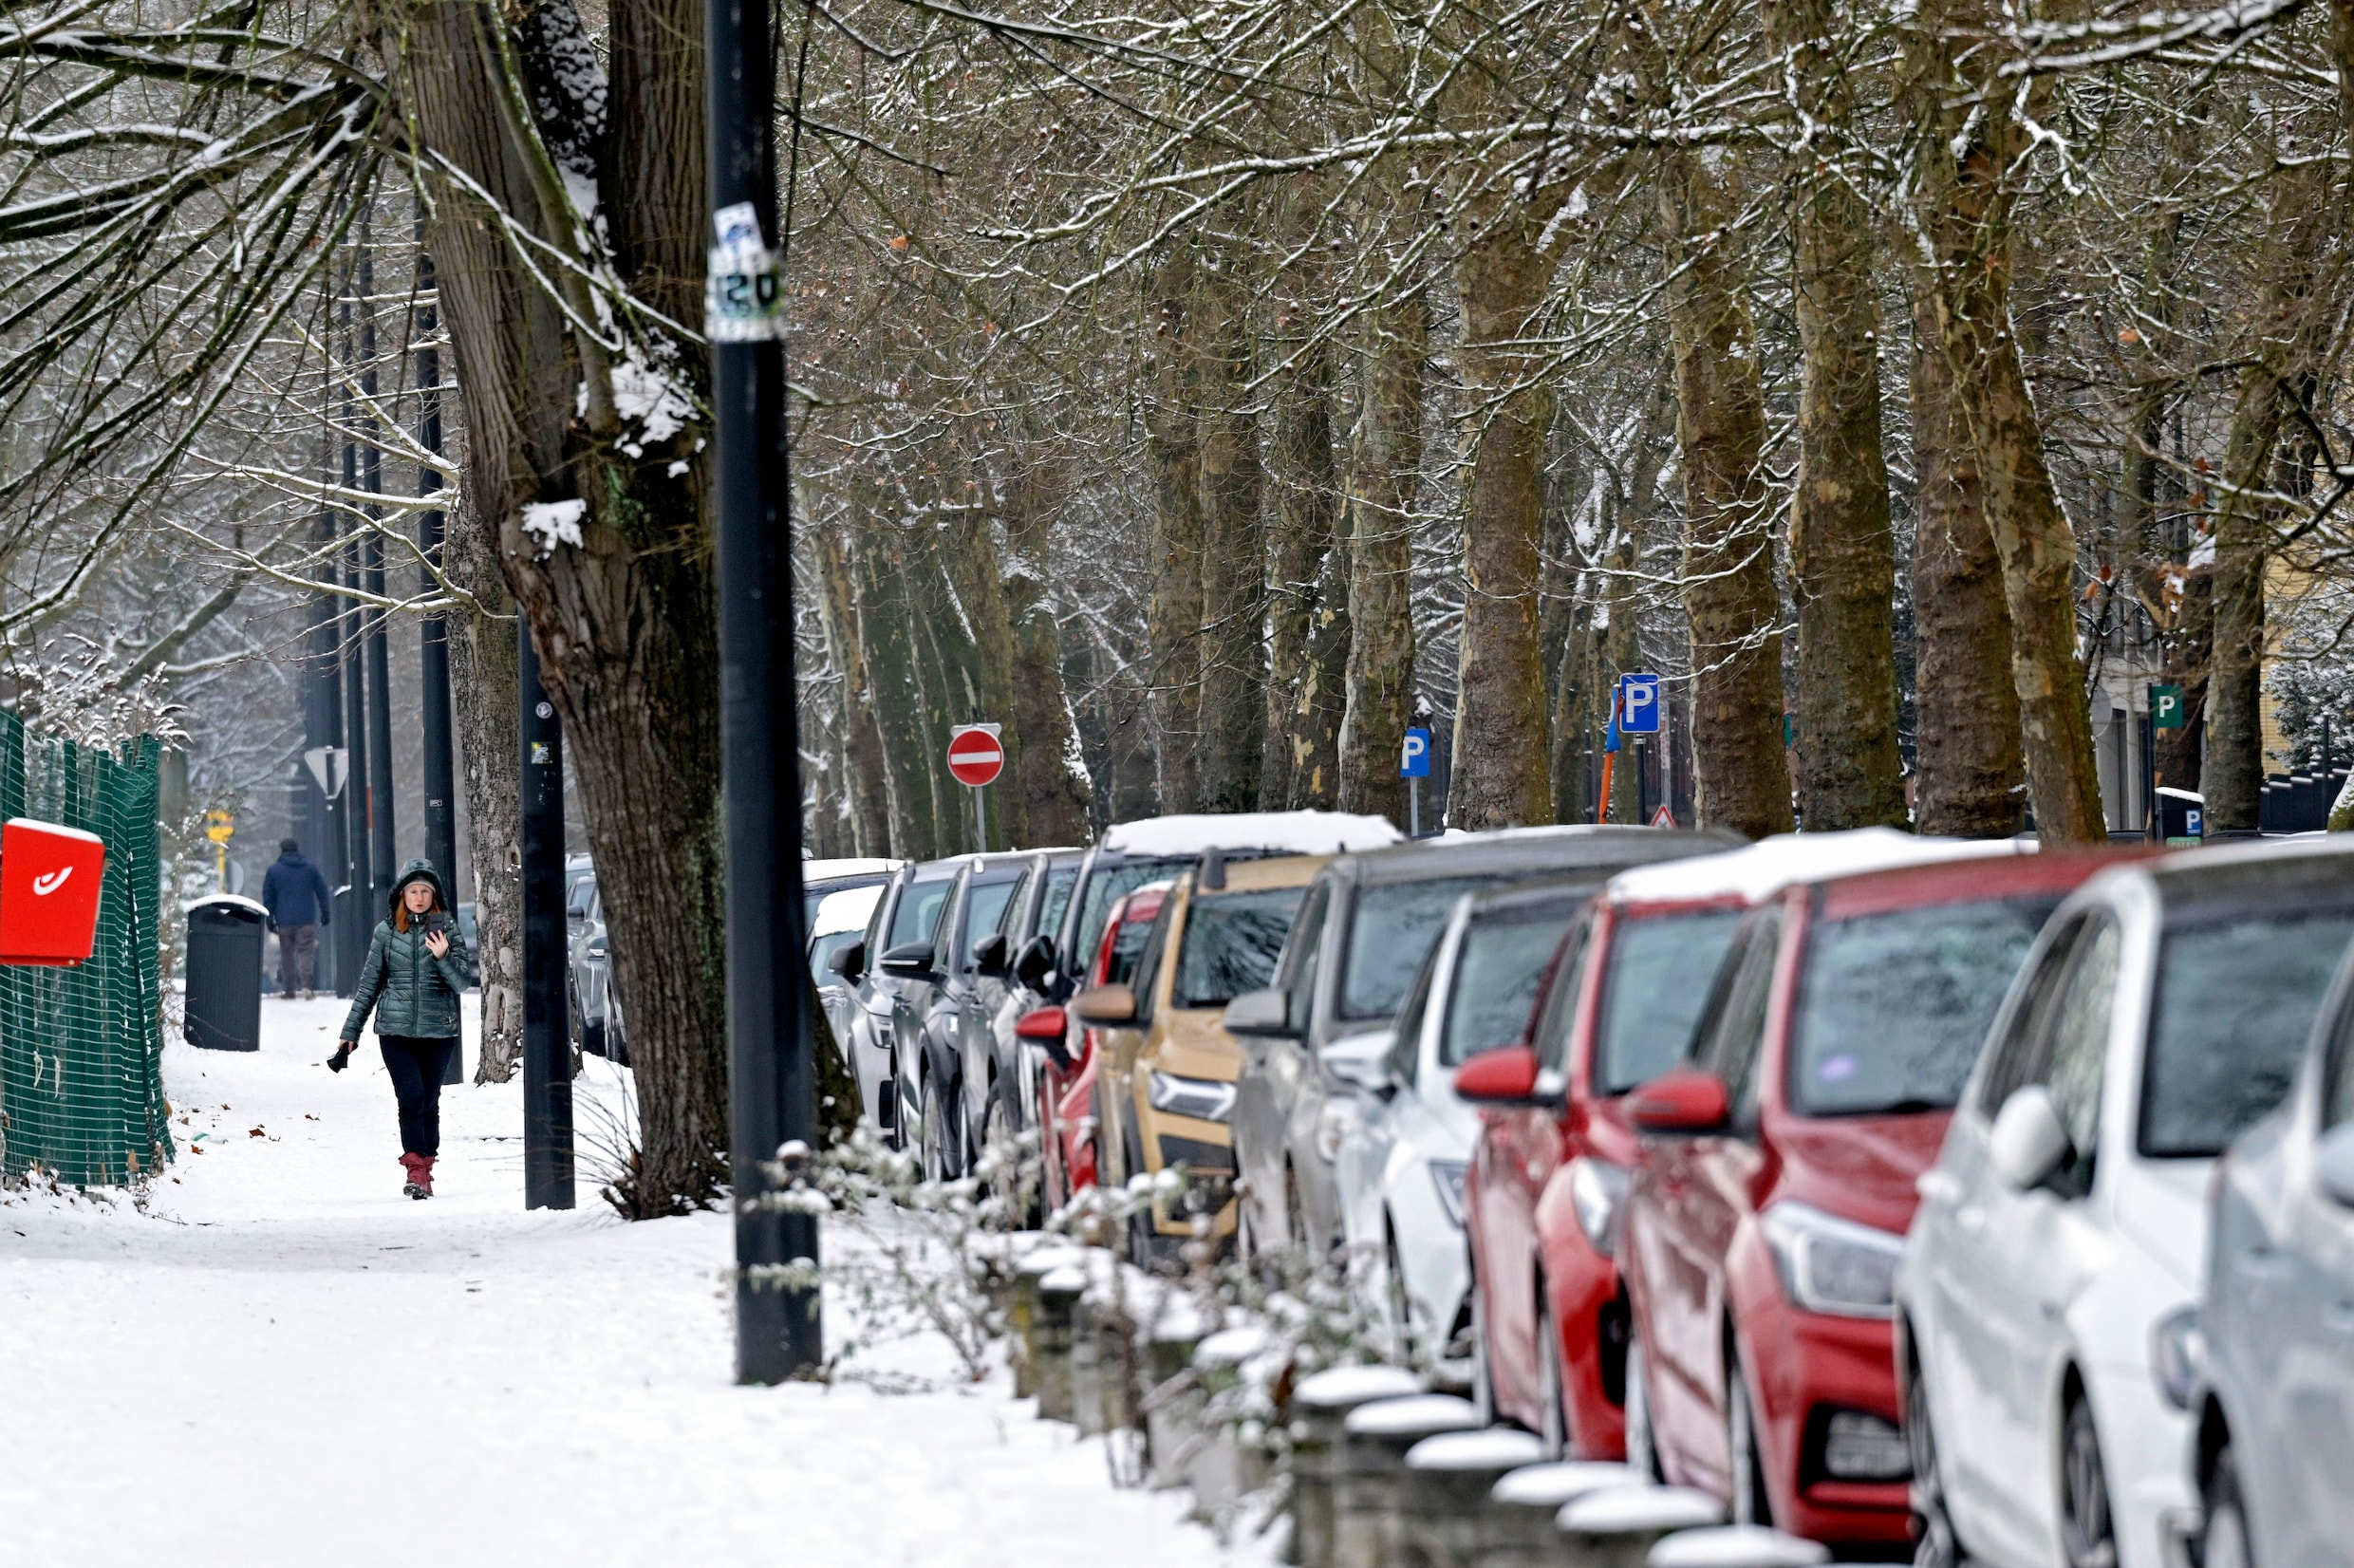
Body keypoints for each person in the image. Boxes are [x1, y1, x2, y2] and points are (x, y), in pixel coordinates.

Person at [334, 860, 472, 1200]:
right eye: (413, 891)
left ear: (434, 895)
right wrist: (350, 1032)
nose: (420, 897)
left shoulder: (447, 929)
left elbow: (461, 983)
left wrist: (442, 956)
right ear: (402, 895)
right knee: (410, 1097)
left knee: (429, 1101)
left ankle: (425, 1165)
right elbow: (369, 985)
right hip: (395, 1030)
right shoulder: (386, 932)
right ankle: (415, 1169)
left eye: (425, 891)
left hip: (438, 1031)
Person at [260, 838, 331, 999]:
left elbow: (268, 896)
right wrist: (325, 912)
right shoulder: (310, 868)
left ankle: (290, 990)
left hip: (284, 921)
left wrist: (270, 918)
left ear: (282, 850)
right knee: (306, 952)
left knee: (287, 955)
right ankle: (306, 985)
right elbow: (322, 890)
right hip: (306, 920)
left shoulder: (274, 871)